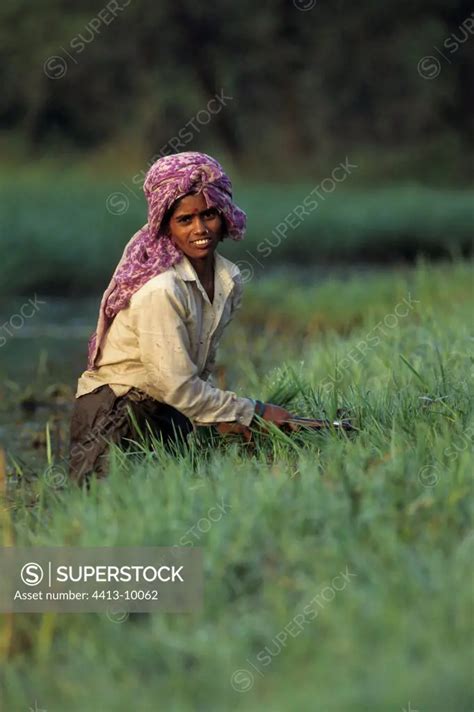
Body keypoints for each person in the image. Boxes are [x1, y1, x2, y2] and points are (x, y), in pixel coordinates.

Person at [68, 152, 294, 485]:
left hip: (168, 410)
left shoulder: (229, 280)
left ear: (225, 216)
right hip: (116, 414)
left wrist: (227, 419)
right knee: (110, 511)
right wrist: (253, 412)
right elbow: (178, 386)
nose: (200, 229)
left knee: (180, 489)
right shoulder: (161, 290)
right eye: (185, 220)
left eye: (209, 215)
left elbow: (198, 371)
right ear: (166, 226)